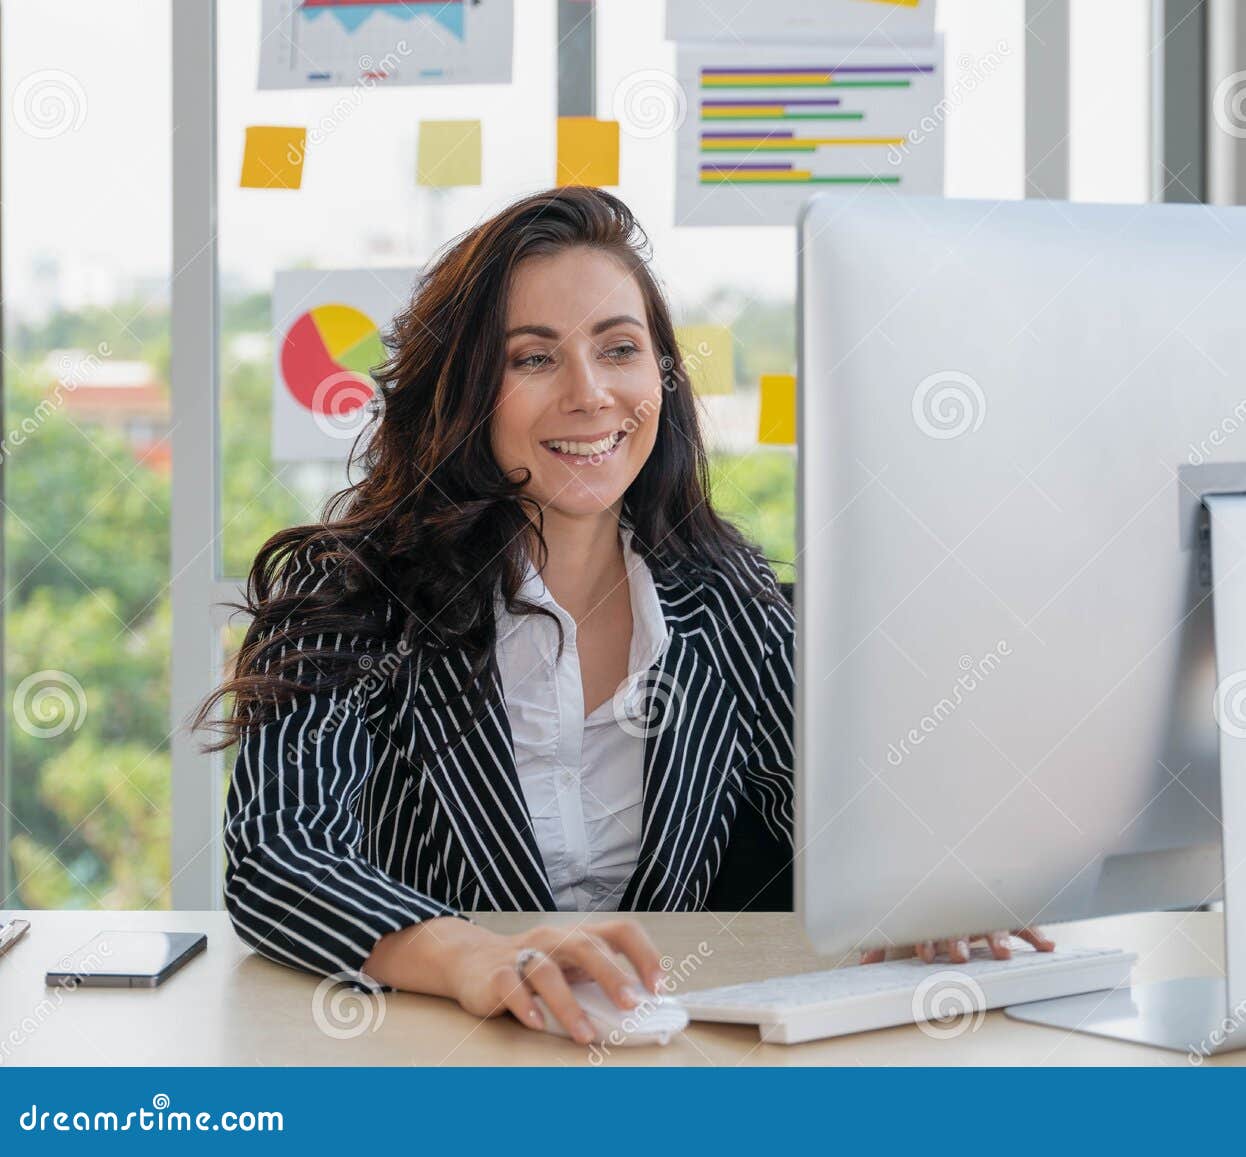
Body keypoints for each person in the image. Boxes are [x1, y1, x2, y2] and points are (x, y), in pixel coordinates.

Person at [200, 187, 1044, 1046]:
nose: (591, 393)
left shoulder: (725, 599)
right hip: (423, 1055)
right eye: (533, 359)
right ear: (461, 392)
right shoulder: (348, 592)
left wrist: (915, 891)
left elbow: (840, 816)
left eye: (619, 349)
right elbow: (281, 855)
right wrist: (474, 956)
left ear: (662, 378)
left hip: (655, 1057)